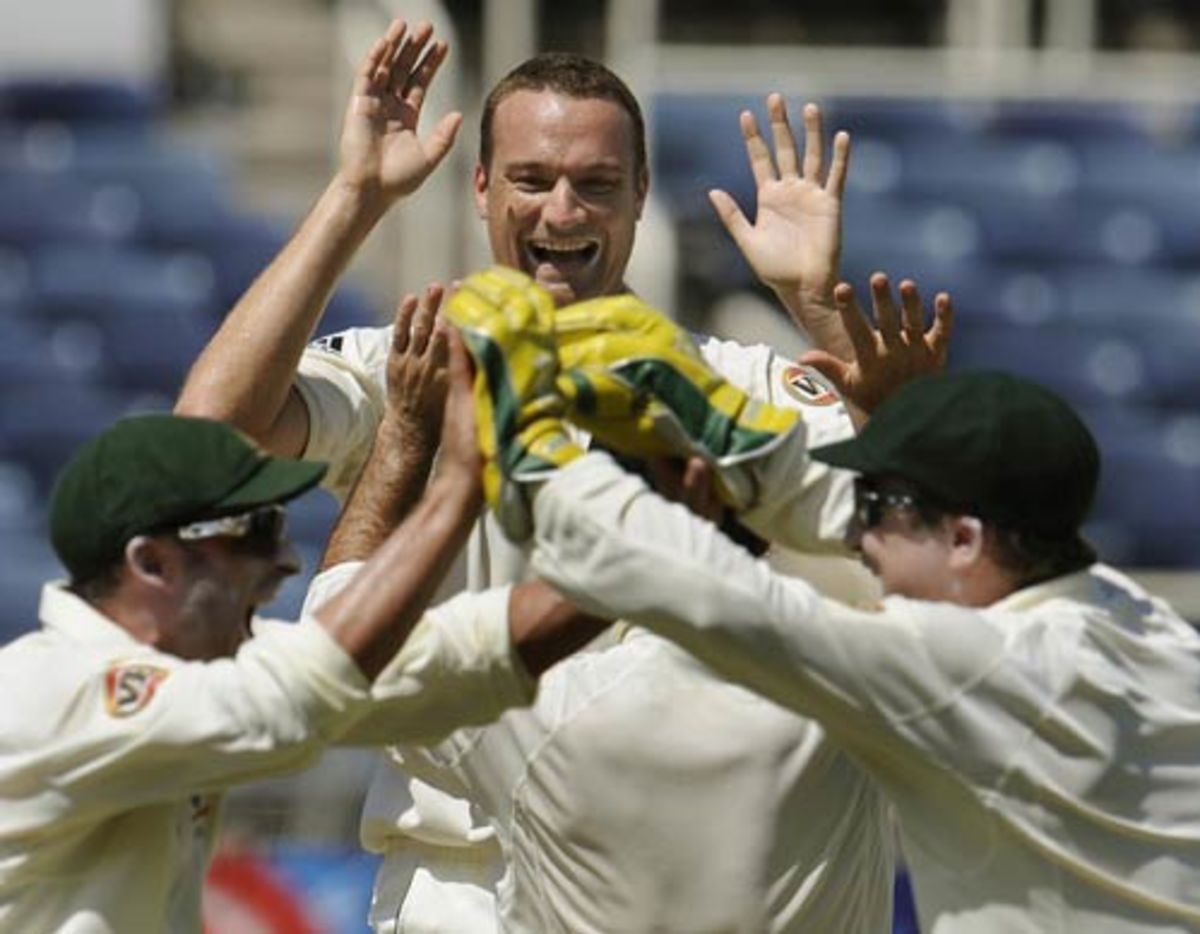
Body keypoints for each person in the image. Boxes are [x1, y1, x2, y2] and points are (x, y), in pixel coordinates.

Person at [175, 18, 950, 931]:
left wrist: (818, 308)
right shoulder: (417, 367)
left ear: (640, 195)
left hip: (662, 877)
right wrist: (354, 195)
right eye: (532, 180)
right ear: (479, 187)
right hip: (454, 882)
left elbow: (916, 529)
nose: (563, 212)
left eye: (597, 184)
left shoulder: (728, 382)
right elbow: (212, 435)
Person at [483, 286, 1200, 930]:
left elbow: (730, 605)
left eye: (880, 506)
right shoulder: (1153, 626)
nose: (858, 531)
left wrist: (529, 445)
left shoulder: (962, 666)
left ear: (965, 537)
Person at [0, 331, 609, 933]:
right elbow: (305, 684)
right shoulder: (61, 690)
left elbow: (409, 668)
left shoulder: (176, 673)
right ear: (152, 563)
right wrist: (453, 486)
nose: (285, 561)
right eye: (253, 533)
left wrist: (636, 566)